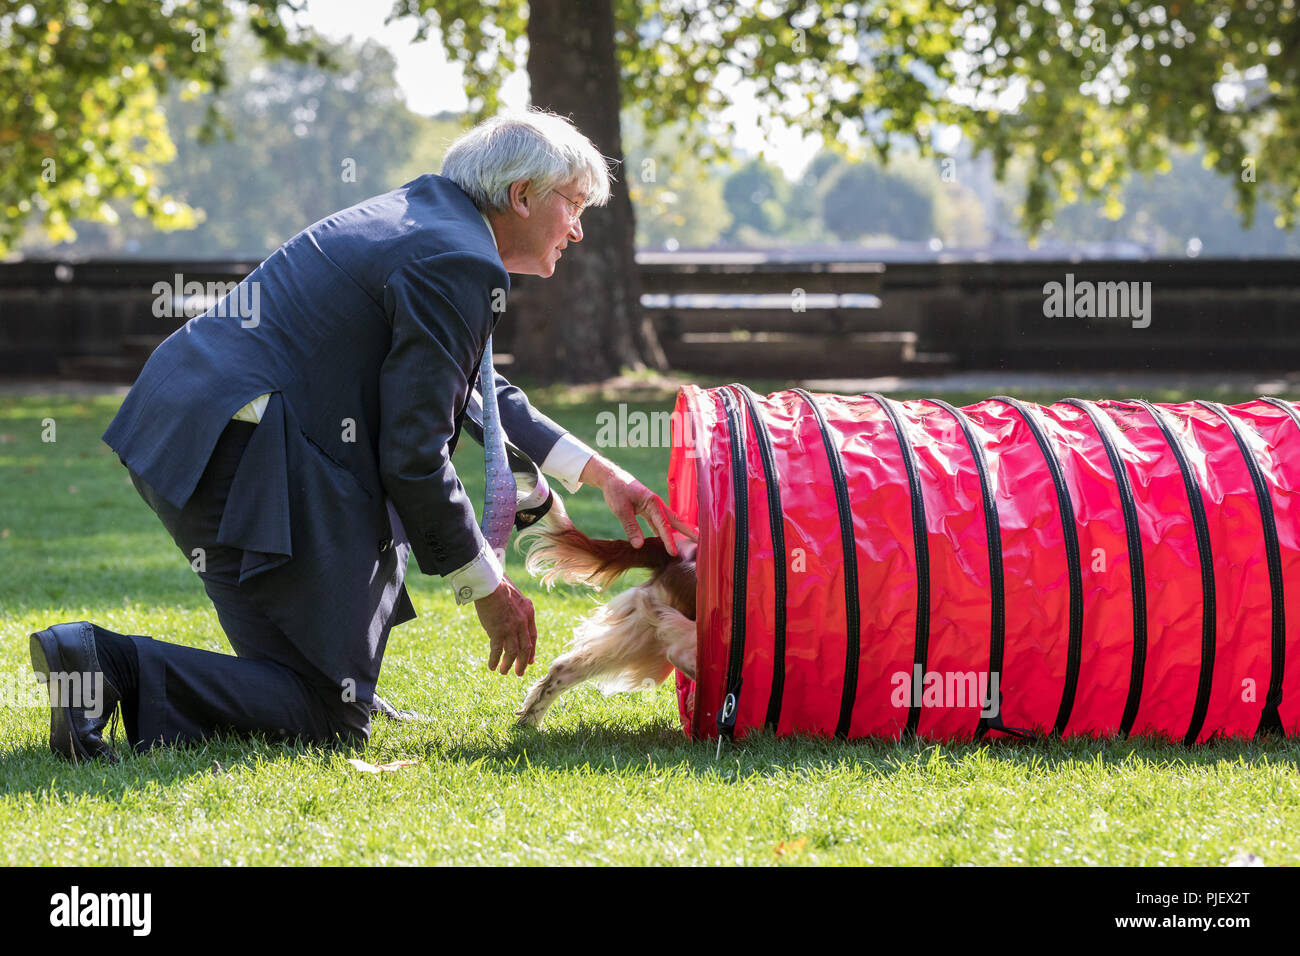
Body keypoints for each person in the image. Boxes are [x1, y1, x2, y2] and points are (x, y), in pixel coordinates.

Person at [30, 108, 692, 762]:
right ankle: (102, 659)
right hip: (244, 448)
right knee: (326, 721)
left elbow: (476, 393)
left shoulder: (436, 223)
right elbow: (412, 457)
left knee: (306, 691)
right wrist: (486, 586)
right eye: (573, 205)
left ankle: (96, 668)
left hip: (184, 429)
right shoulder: (459, 259)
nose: (576, 231)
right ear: (521, 196)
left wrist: (602, 473)